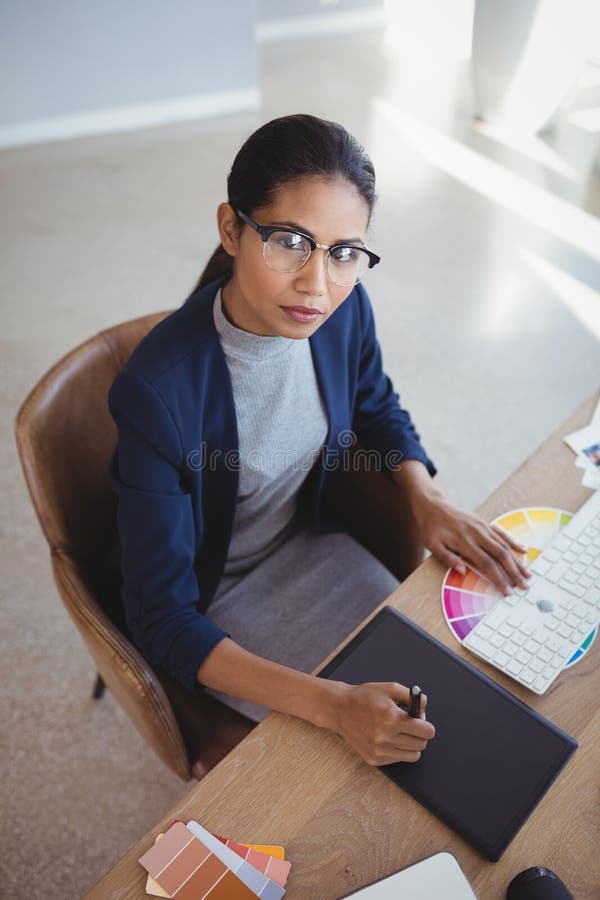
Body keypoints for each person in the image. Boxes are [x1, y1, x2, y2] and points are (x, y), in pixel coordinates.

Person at [107, 113, 530, 768]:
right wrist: (331, 705)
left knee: (463, 707)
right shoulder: (156, 394)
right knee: (370, 764)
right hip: (218, 600)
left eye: (344, 251)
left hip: (314, 544)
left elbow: (376, 404)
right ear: (230, 228)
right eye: (289, 241)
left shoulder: (343, 306)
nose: (317, 283)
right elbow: (161, 619)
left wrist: (425, 499)